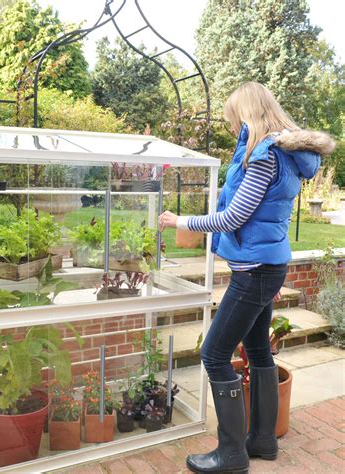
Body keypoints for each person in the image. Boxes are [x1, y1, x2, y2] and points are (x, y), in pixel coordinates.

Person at [158, 81, 335, 474]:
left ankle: (232, 454)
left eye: (234, 116)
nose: (232, 122)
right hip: (268, 265)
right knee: (257, 351)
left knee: (215, 355)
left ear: (247, 113)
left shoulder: (264, 157)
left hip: (254, 271)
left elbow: (234, 217)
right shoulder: (286, 155)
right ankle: (263, 440)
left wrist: (180, 220)